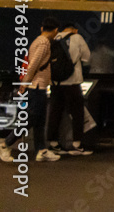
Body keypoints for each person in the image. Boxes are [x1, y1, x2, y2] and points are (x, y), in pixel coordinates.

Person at [0, 17, 61, 162]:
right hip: (36, 85)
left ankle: (41, 150)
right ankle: (6, 144)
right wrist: (25, 83)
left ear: (42, 28)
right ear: (55, 30)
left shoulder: (38, 41)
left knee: (39, 120)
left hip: (38, 85)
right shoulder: (44, 43)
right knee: (32, 117)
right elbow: (33, 65)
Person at [46, 23, 92, 156]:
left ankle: (53, 143)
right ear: (74, 29)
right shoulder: (77, 37)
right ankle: (76, 144)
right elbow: (86, 57)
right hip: (72, 82)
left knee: (55, 111)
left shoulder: (55, 38)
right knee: (77, 112)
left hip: (55, 82)